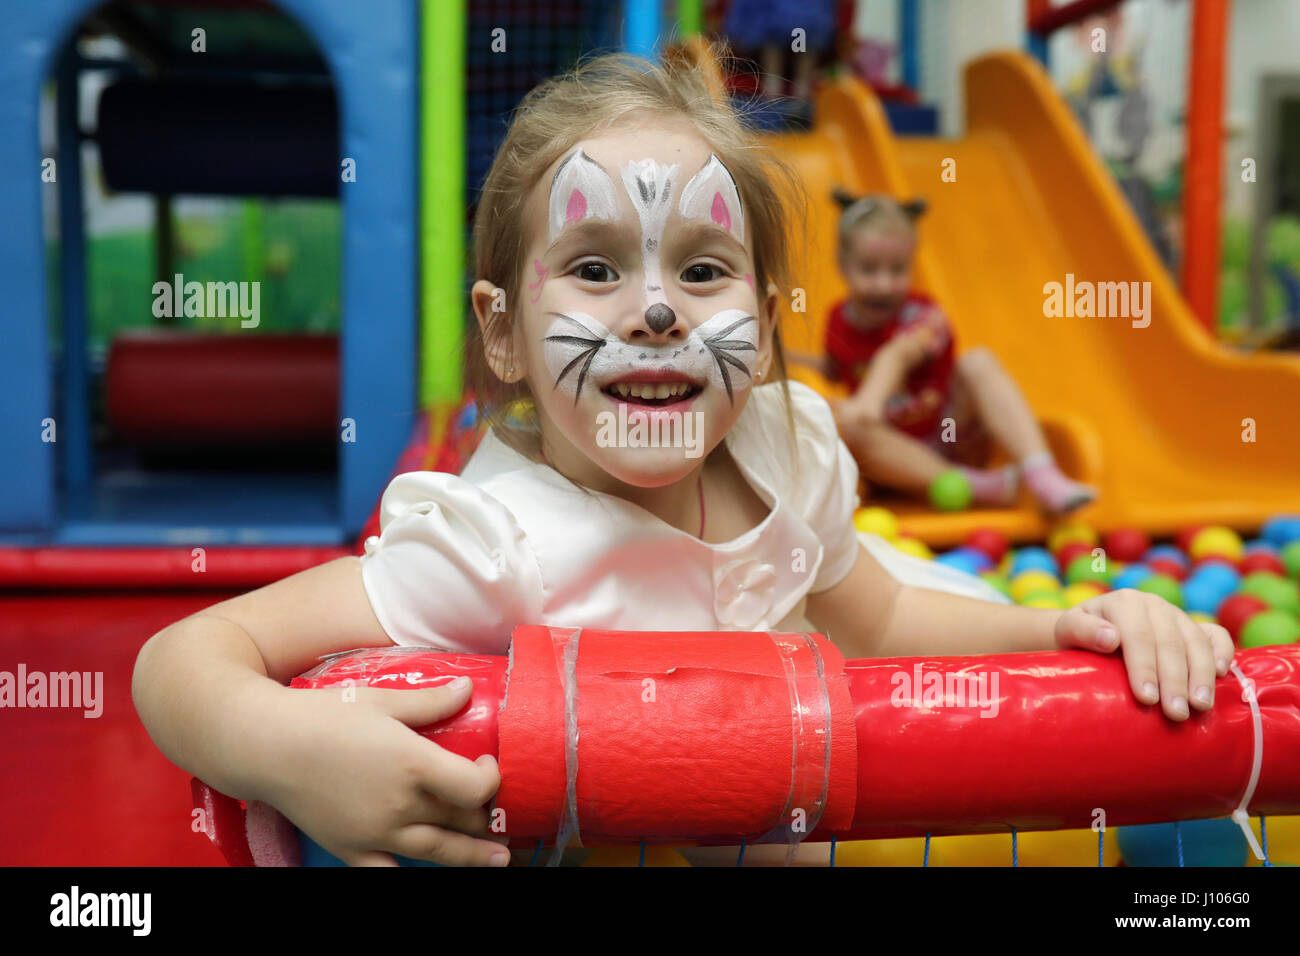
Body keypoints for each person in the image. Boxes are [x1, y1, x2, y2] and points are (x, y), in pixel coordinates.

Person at [132, 45, 1233, 868]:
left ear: (762, 323)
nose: (656, 309)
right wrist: (287, 749)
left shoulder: (783, 445)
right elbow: (185, 655)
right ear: (504, 330)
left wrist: (1064, 625)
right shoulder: (497, 542)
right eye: (596, 268)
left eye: (703, 272)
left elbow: (883, 618)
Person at [809, 191, 1098, 513]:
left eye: (897, 270)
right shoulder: (836, 319)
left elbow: (898, 353)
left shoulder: (925, 315)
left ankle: (1042, 474)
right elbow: (833, 369)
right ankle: (981, 486)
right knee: (848, 429)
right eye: (869, 269)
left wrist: (868, 403)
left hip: (951, 435)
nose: (884, 284)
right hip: (894, 456)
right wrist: (782, 355)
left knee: (978, 361)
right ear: (842, 264)